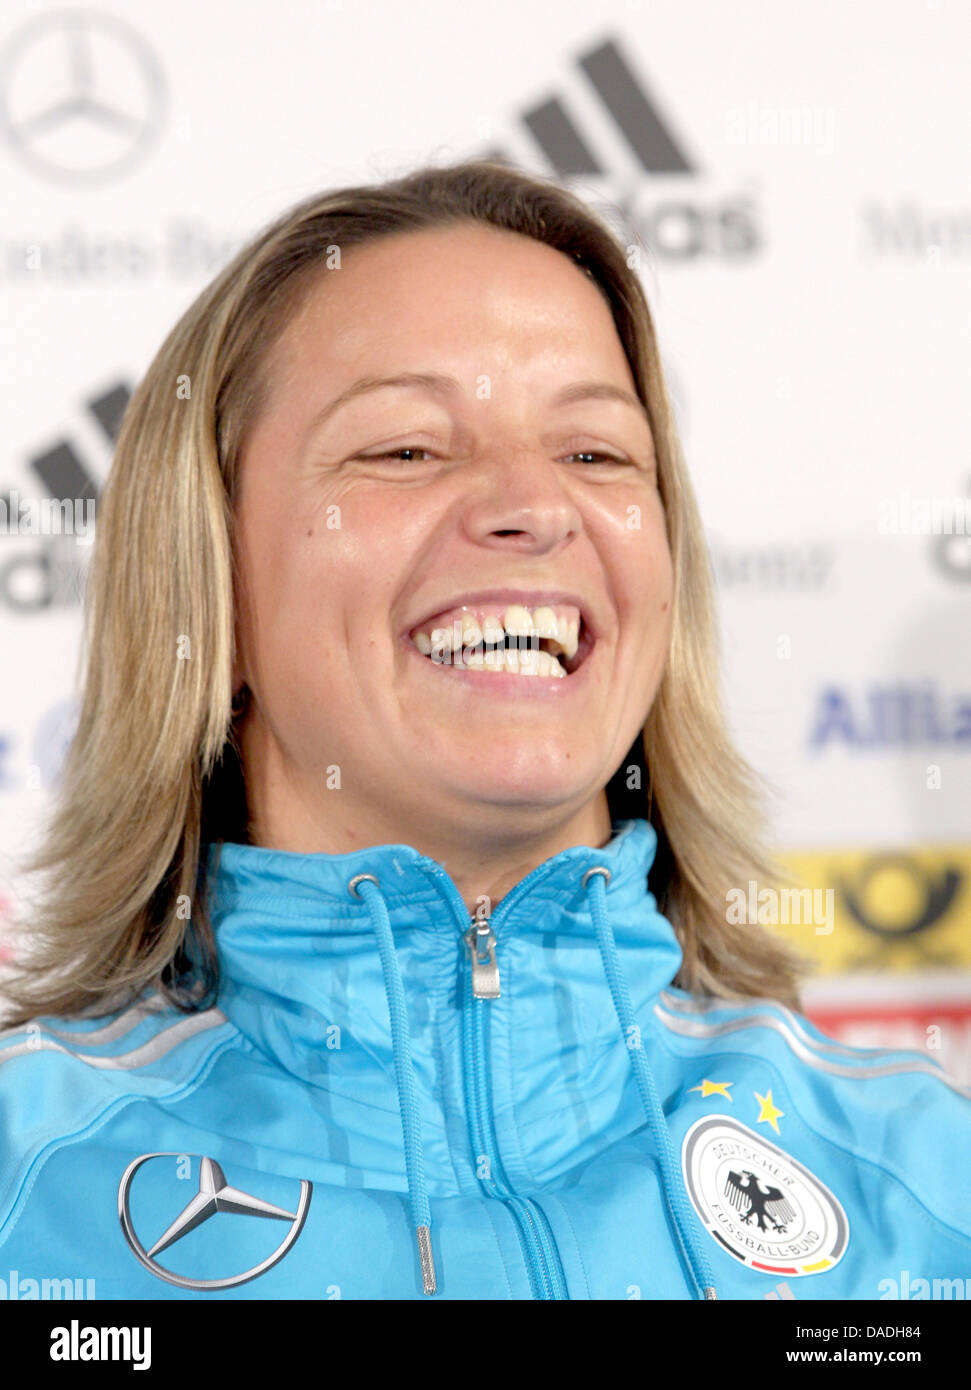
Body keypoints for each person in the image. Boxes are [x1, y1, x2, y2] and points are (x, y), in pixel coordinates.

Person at [0, 160, 967, 1301]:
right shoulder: (29, 1178)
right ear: (206, 573)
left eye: (595, 452)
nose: (532, 503)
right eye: (404, 448)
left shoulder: (924, 1182)